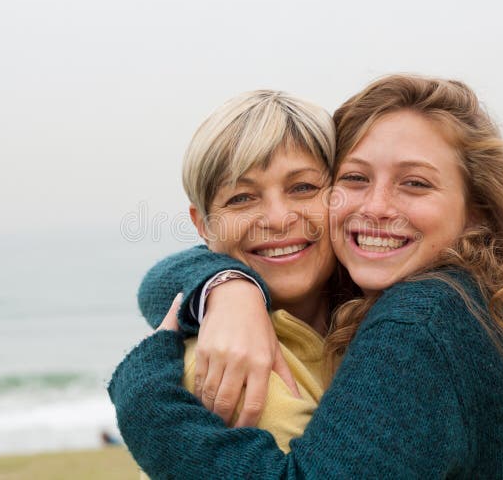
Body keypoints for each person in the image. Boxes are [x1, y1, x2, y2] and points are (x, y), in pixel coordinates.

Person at [110, 75, 503, 478]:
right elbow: (171, 273)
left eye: (415, 183)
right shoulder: (409, 300)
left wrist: (145, 400)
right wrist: (225, 288)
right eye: (356, 178)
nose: (376, 206)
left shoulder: (421, 320)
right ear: (204, 223)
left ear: (476, 211)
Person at [129, 88, 348, 466]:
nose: (278, 218)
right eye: (241, 198)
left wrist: (228, 286)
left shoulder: (378, 307)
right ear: (203, 225)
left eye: (303, 187)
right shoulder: (224, 364)